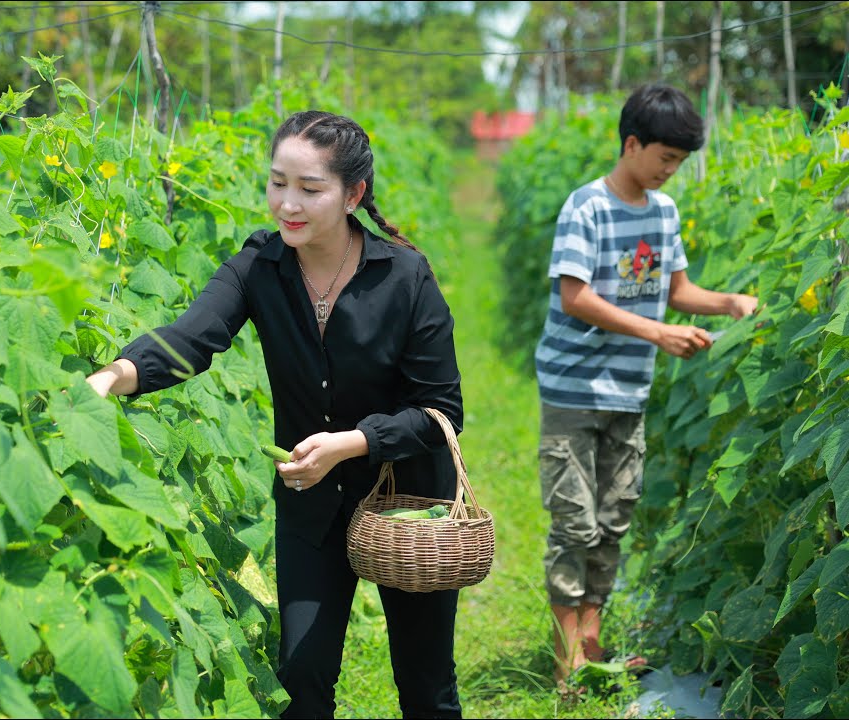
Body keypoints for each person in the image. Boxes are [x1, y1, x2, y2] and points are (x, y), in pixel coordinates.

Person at [86, 110, 465, 719]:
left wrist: (351, 443)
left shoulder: (403, 276)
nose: (288, 203)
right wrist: (112, 377)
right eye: (277, 183)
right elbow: (191, 338)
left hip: (408, 504)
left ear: (353, 194)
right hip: (310, 499)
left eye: (310, 189)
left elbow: (440, 409)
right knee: (301, 676)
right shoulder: (260, 266)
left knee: (425, 684)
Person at [533, 83, 758, 689]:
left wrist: (727, 303)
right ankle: (566, 666)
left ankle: (592, 645)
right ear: (632, 144)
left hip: (628, 391)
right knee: (573, 522)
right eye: (665, 158)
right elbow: (574, 297)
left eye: (679, 163)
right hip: (574, 391)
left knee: (613, 519)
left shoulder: (664, 213)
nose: (670, 172)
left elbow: (677, 290)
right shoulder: (587, 207)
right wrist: (659, 333)